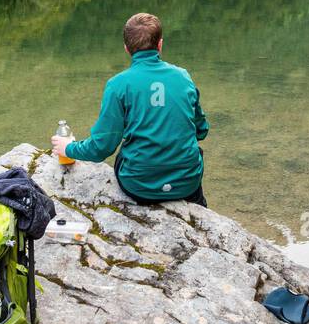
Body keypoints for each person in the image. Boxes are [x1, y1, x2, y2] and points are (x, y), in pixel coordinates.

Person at [52, 13, 209, 207]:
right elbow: (201, 131)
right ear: (160, 44)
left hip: (139, 186)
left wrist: (67, 148)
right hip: (187, 184)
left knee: (125, 157)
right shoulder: (183, 77)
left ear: (127, 49)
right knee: (194, 159)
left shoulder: (118, 85)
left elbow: (102, 148)